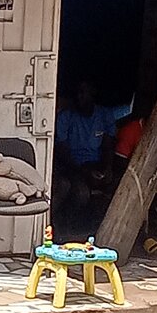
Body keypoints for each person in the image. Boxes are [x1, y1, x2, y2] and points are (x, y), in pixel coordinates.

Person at [53, 79, 116, 220]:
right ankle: (66, 226)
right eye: (76, 93)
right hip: (72, 167)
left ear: (93, 94)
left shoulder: (104, 115)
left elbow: (108, 146)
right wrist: (83, 171)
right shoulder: (65, 117)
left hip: (94, 165)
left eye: (83, 93)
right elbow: (62, 152)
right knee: (81, 193)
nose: (78, 97)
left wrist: (107, 168)